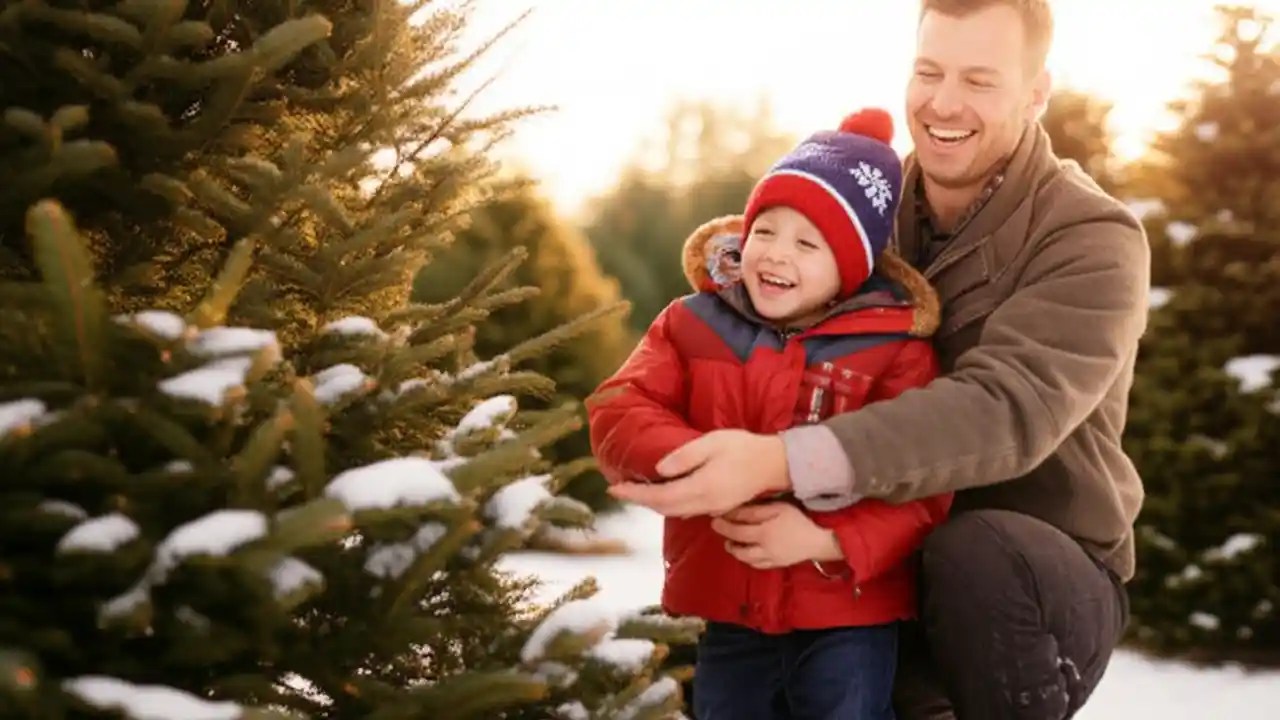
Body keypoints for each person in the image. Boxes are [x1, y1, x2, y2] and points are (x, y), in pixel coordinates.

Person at [607, 1, 1151, 718]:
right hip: (861, 555)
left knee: (975, 555)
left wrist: (778, 460)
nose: (944, 102)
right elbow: (754, 327)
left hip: (1020, 574)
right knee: (713, 652)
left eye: (980, 81)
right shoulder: (855, 210)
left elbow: (1007, 408)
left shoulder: (1091, 238)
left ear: (1035, 91)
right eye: (930, 71)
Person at [587, 109, 953, 720]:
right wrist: (693, 462)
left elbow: (922, 492)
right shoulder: (692, 324)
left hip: (848, 617)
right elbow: (620, 407)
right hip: (724, 611)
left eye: (808, 243)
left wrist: (829, 539)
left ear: (852, 266)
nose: (777, 254)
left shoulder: (896, 353)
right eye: (766, 231)